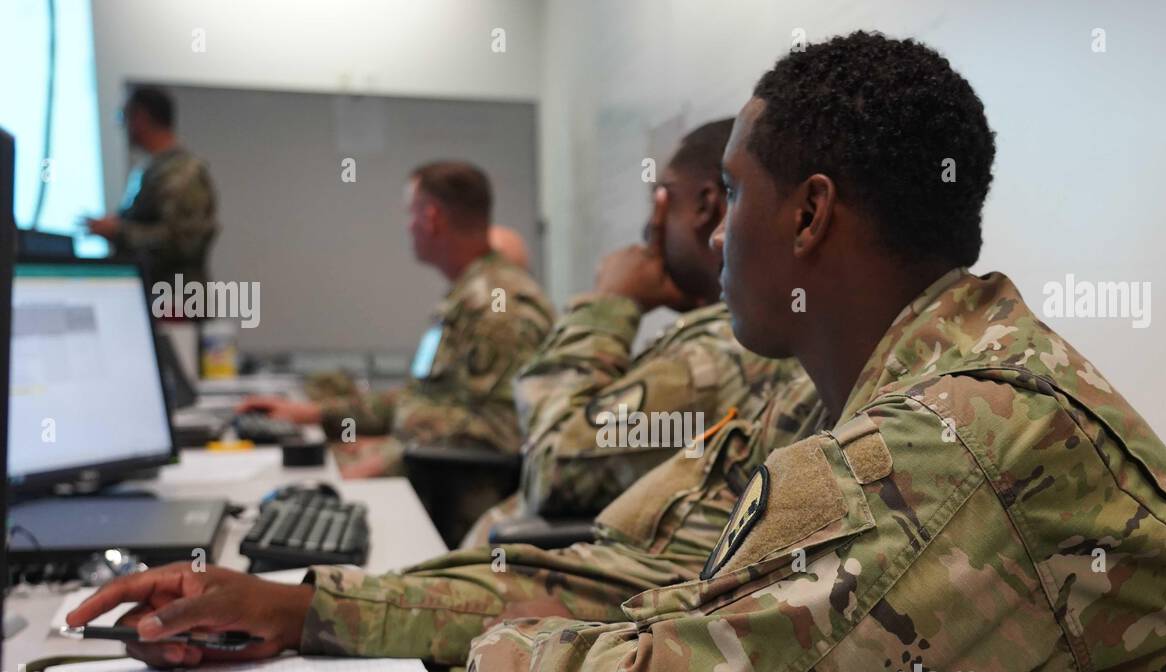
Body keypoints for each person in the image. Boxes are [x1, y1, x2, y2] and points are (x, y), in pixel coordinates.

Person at [456, 33, 1166, 672]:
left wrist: (492, 647)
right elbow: (720, 623)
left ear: (810, 215)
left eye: (734, 195)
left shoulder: (960, 440)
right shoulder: (943, 382)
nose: (717, 238)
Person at [463, 119, 797, 546]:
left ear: (705, 206)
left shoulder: (721, 351)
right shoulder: (740, 333)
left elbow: (551, 464)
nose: (648, 229)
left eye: (661, 198)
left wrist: (608, 306)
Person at [239, 162, 555, 478]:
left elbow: (502, 433)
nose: (408, 226)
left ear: (432, 218)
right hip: (427, 469)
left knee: (299, 485)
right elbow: (422, 400)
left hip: (450, 496)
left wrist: (387, 459)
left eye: (411, 213)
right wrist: (316, 414)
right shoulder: (467, 297)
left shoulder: (499, 307)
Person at [84, 86, 218, 295]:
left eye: (124, 116)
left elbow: (183, 240)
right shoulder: (152, 170)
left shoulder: (183, 173)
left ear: (141, 116)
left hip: (176, 302)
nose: (123, 126)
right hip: (154, 297)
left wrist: (119, 232)